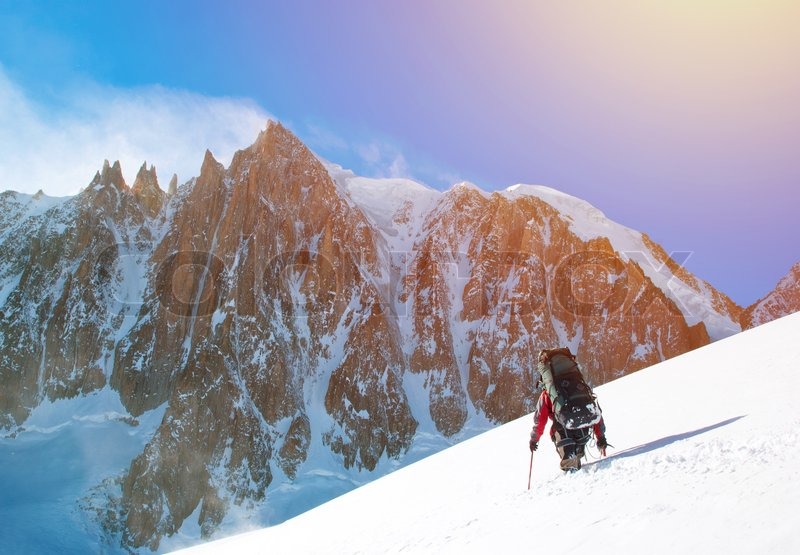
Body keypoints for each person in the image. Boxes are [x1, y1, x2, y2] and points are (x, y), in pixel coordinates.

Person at [528, 350, 608, 472]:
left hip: (564, 436)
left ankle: (570, 459)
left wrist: (534, 439)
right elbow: (593, 409)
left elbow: (540, 420)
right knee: (577, 453)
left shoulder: (548, 394)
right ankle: (577, 453)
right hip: (584, 433)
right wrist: (601, 437)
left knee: (571, 465)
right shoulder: (578, 386)